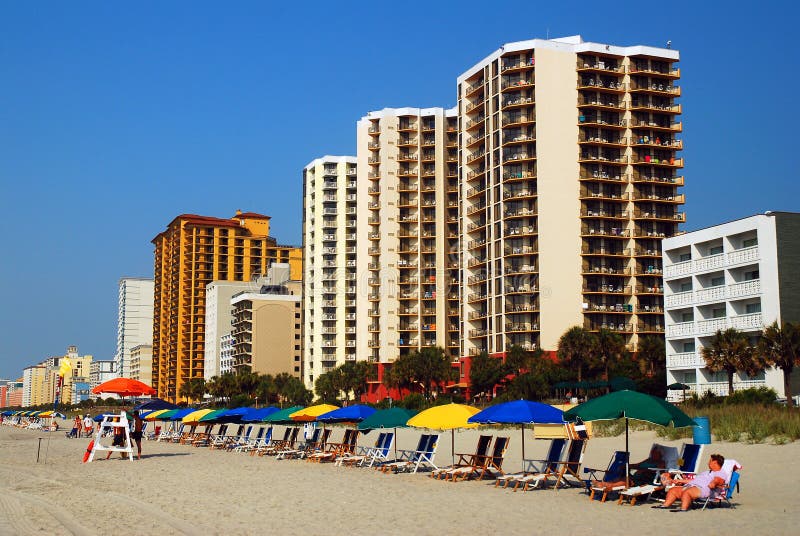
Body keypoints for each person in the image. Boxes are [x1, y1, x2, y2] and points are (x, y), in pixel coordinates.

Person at [656, 454, 727, 511]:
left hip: (704, 489)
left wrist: (714, 483)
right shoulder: (707, 472)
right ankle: (665, 505)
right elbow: (693, 481)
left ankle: (683, 509)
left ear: (715, 462)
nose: (708, 463)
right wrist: (679, 480)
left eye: (710, 461)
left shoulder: (720, 473)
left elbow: (718, 480)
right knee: (673, 490)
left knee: (687, 492)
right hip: (692, 486)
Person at [593, 446, 665, 489]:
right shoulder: (648, 460)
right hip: (637, 476)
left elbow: (658, 472)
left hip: (645, 480)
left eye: (654, 453)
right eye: (652, 452)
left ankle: (609, 485)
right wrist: (628, 465)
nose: (652, 454)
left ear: (660, 454)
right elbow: (637, 465)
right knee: (624, 477)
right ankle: (607, 483)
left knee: (627, 480)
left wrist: (642, 470)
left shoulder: (661, 462)